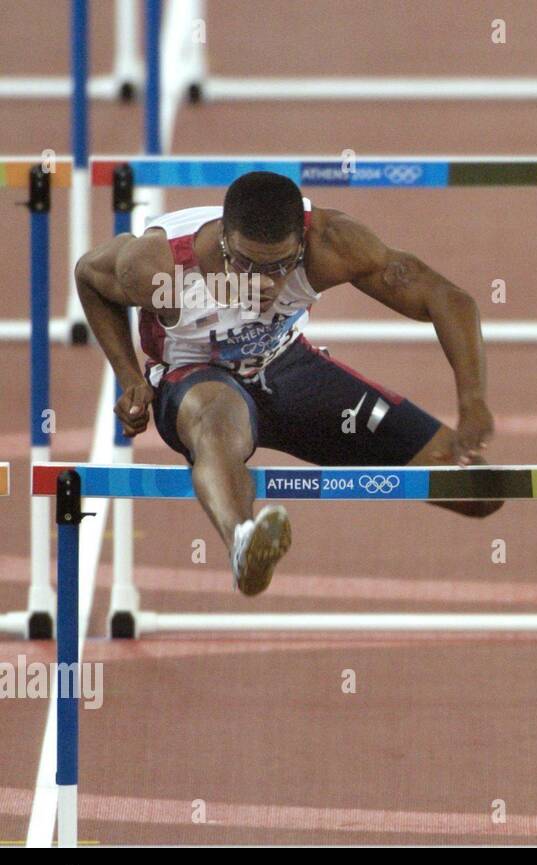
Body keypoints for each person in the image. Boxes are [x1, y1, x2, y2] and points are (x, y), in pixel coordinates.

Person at [75, 171, 502, 597]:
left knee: (477, 490)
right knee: (216, 416)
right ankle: (244, 541)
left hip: (289, 368)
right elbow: (89, 277)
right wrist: (130, 376)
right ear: (224, 240)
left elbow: (447, 298)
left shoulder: (333, 242)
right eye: (245, 265)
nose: (262, 281)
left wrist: (474, 399)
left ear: (303, 242)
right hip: (194, 379)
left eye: (280, 267)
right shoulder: (158, 265)